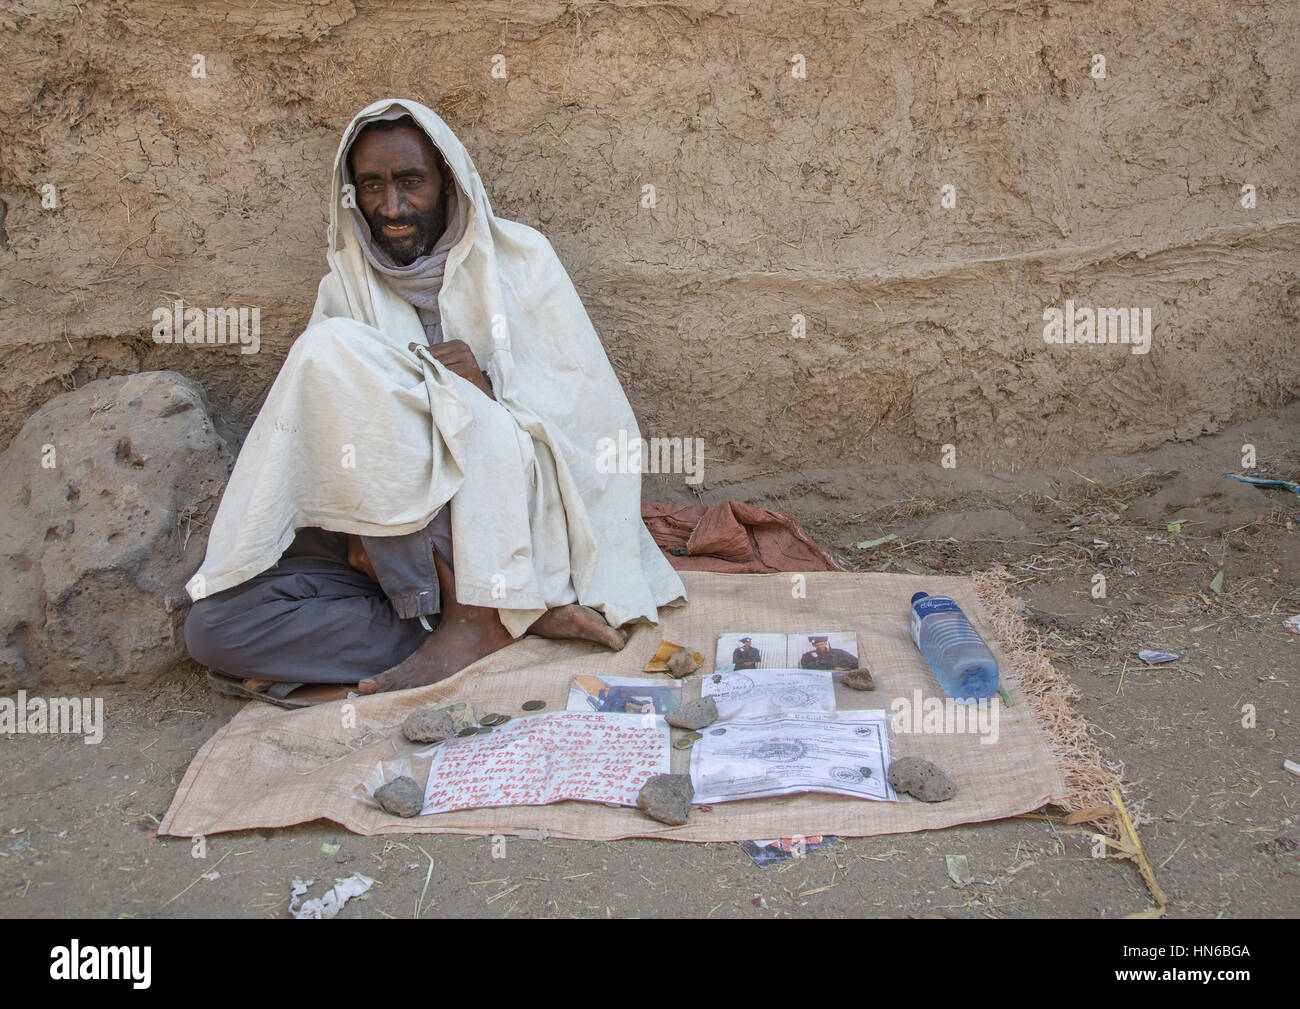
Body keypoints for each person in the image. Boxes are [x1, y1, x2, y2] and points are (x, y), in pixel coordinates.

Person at [183, 99, 685, 705]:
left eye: (409, 182)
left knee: (339, 356)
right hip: (377, 555)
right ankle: (500, 620)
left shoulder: (522, 262)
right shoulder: (343, 288)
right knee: (216, 629)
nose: (392, 208)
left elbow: (587, 429)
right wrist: (360, 526)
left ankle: (478, 613)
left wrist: (483, 394)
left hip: (510, 528)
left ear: (448, 181)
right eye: (372, 186)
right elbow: (316, 441)